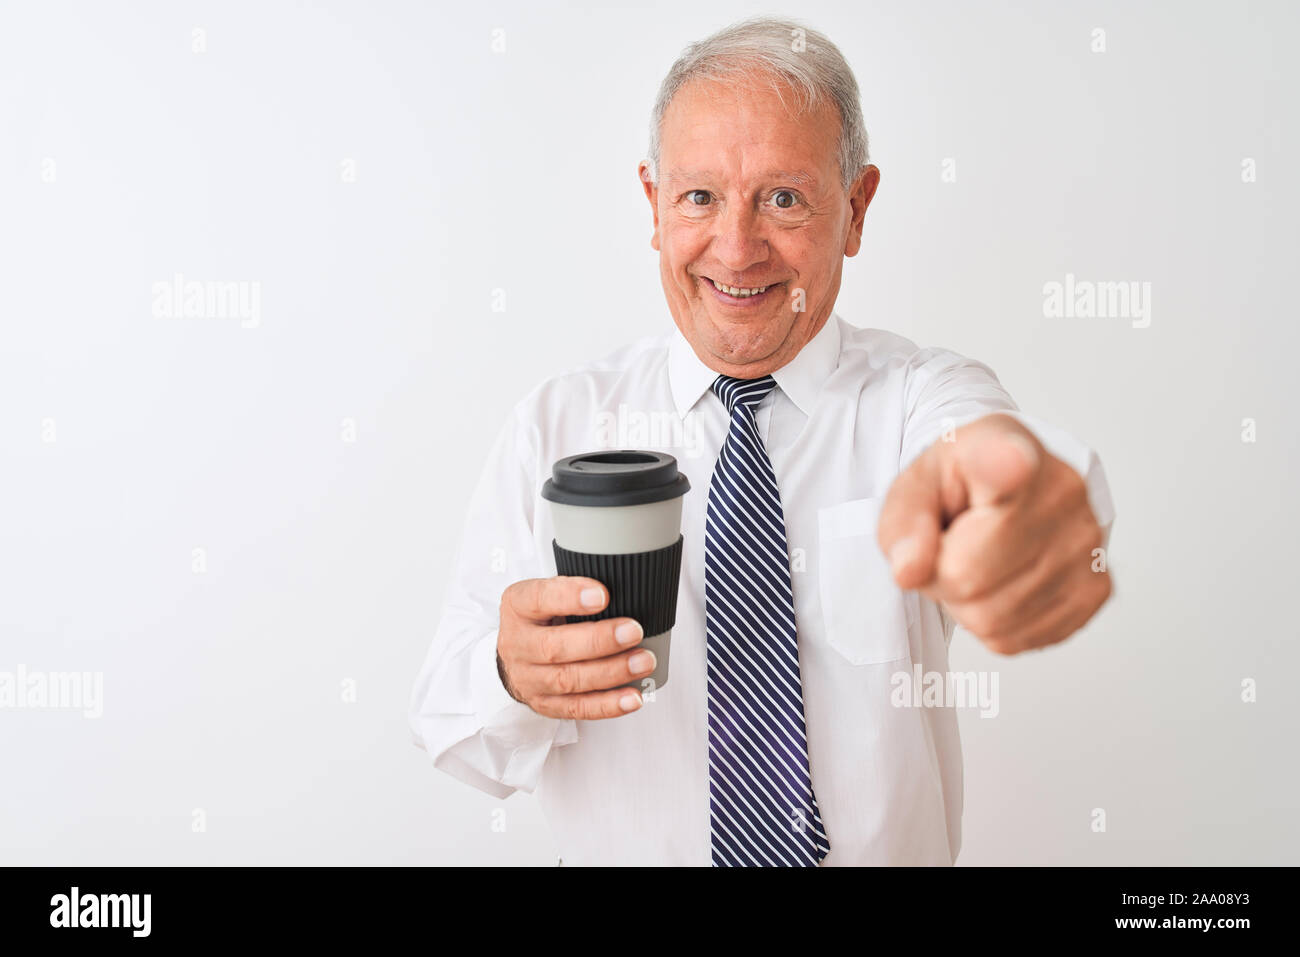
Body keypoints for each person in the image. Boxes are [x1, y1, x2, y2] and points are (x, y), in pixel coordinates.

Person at [409, 16, 1115, 866]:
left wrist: (1026, 501)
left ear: (854, 208)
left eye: (784, 198)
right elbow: (447, 723)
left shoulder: (917, 398)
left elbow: (1002, 459)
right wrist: (511, 675)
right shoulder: (556, 426)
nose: (736, 249)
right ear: (655, 206)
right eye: (699, 196)